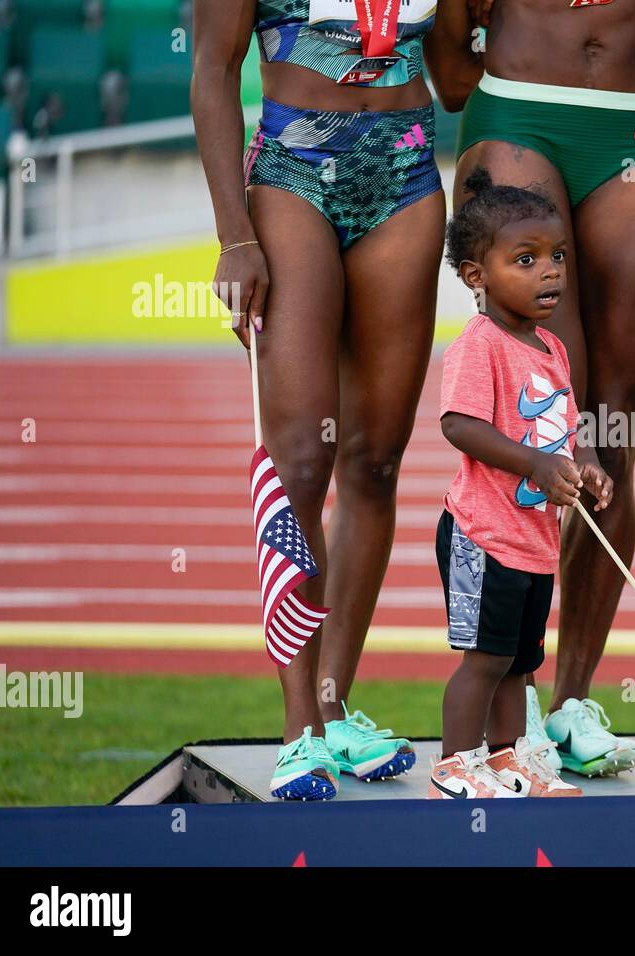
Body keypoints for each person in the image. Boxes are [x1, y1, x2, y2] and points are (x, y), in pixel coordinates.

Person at [192, 0, 462, 799]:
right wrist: (235, 237)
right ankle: (297, 728)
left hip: (407, 173)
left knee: (375, 462)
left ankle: (333, 703)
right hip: (293, 171)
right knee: (303, 459)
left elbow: (454, 71)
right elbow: (211, 72)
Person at [426, 0, 635, 778]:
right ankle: (519, 705)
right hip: (517, 111)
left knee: (609, 432)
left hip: (634, 122)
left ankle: (571, 699)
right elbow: (447, 58)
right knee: (536, 418)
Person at [429, 168, 611, 799]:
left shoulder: (552, 348)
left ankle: (509, 760)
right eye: (526, 259)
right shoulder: (479, 347)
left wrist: (584, 461)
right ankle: (454, 765)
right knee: (483, 658)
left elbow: (563, 423)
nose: (550, 271)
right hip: (483, 533)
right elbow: (459, 424)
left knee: (520, 661)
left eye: (557, 256)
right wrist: (533, 465)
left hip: (533, 536)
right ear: (477, 276)